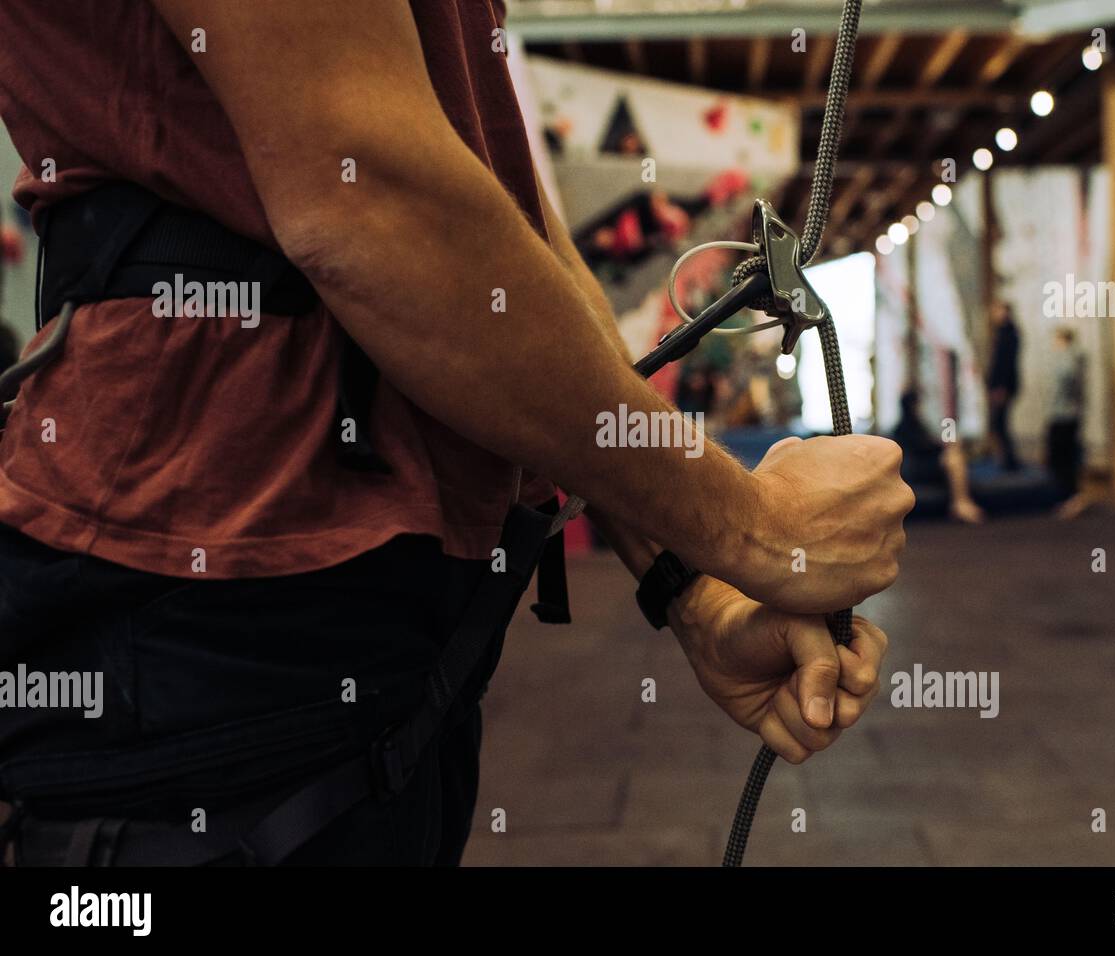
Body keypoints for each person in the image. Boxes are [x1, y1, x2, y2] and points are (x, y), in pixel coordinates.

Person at [0, 0, 912, 866]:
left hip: (397, 635)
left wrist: (694, 584)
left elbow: (518, 250)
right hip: (203, 577)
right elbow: (368, 197)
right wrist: (756, 526)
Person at [891, 391, 984, 525]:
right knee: (952, 458)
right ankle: (961, 502)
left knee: (953, 455)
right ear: (912, 405)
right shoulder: (904, 427)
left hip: (925, 464)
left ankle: (961, 501)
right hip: (917, 469)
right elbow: (922, 448)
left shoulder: (917, 423)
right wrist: (944, 445)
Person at [1046, 326, 1090, 520]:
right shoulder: (1074, 358)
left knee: (1062, 459)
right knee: (1062, 458)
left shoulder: (1068, 359)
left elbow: (1067, 382)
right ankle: (1068, 497)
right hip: (1067, 414)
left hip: (1064, 415)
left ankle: (1072, 497)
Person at [986, 300, 1021, 471]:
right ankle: (1006, 460)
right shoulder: (1005, 332)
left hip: (1003, 386)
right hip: (1001, 385)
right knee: (999, 423)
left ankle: (1008, 461)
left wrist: (1001, 387)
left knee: (1000, 423)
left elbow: (1005, 364)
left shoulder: (1009, 334)